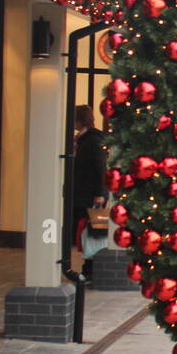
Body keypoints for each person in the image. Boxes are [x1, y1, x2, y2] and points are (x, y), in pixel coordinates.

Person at [71, 105, 108, 280]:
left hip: (93, 195)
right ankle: (89, 268)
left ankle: (92, 269)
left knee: (95, 232)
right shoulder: (83, 140)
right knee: (89, 231)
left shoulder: (92, 141)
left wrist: (100, 193)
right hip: (86, 194)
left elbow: (100, 168)